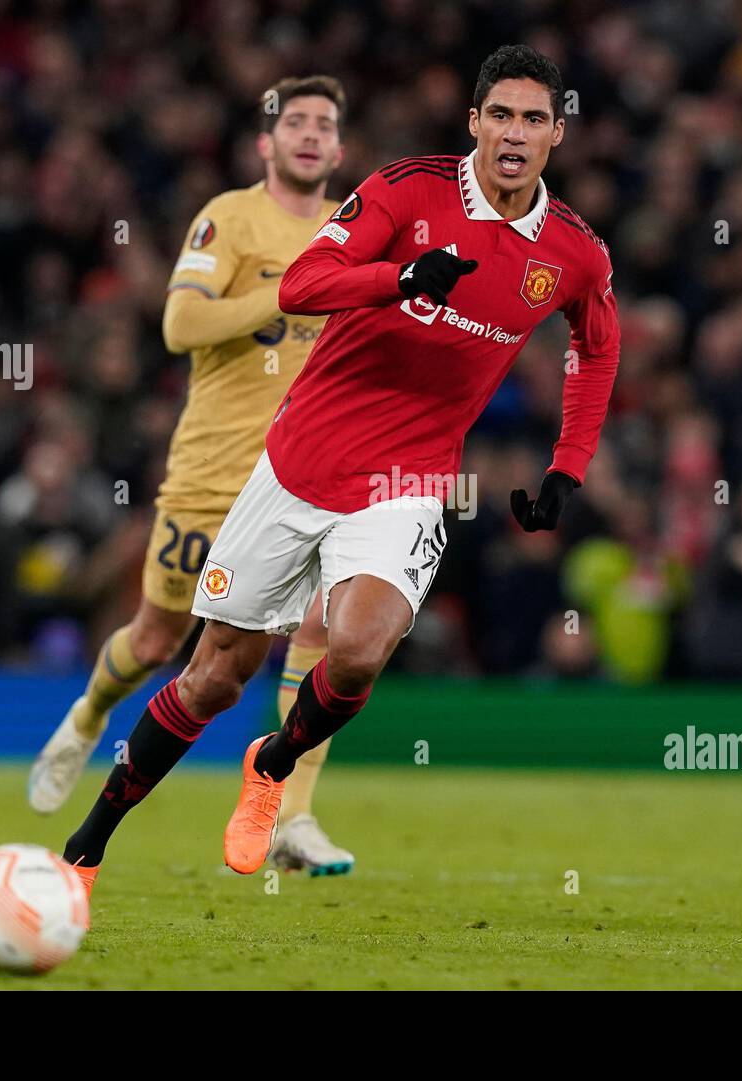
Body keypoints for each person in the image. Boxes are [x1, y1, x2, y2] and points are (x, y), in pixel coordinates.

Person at [61, 44, 620, 898]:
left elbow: (597, 350)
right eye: (500, 114)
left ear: (557, 133)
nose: (515, 133)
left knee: (357, 650)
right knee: (214, 676)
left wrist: (567, 466)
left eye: (534, 118)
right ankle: (87, 849)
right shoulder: (407, 190)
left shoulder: (575, 253)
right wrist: (399, 278)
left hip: (409, 482)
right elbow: (302, 286)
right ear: (474, 122)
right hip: (297, 464)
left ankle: (274, 764)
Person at [30, 75, 357, 875]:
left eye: (325, 125)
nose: (311, 135)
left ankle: (292, 815)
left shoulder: (353, 230)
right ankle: (84, 717)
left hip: (307, 478)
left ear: (341, 149)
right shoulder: (229, 217)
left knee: (320, 631)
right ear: (266, 143)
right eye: (297, 123)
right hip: (213, 477)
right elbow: (180, 322)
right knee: (156, 638)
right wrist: (285, 291)